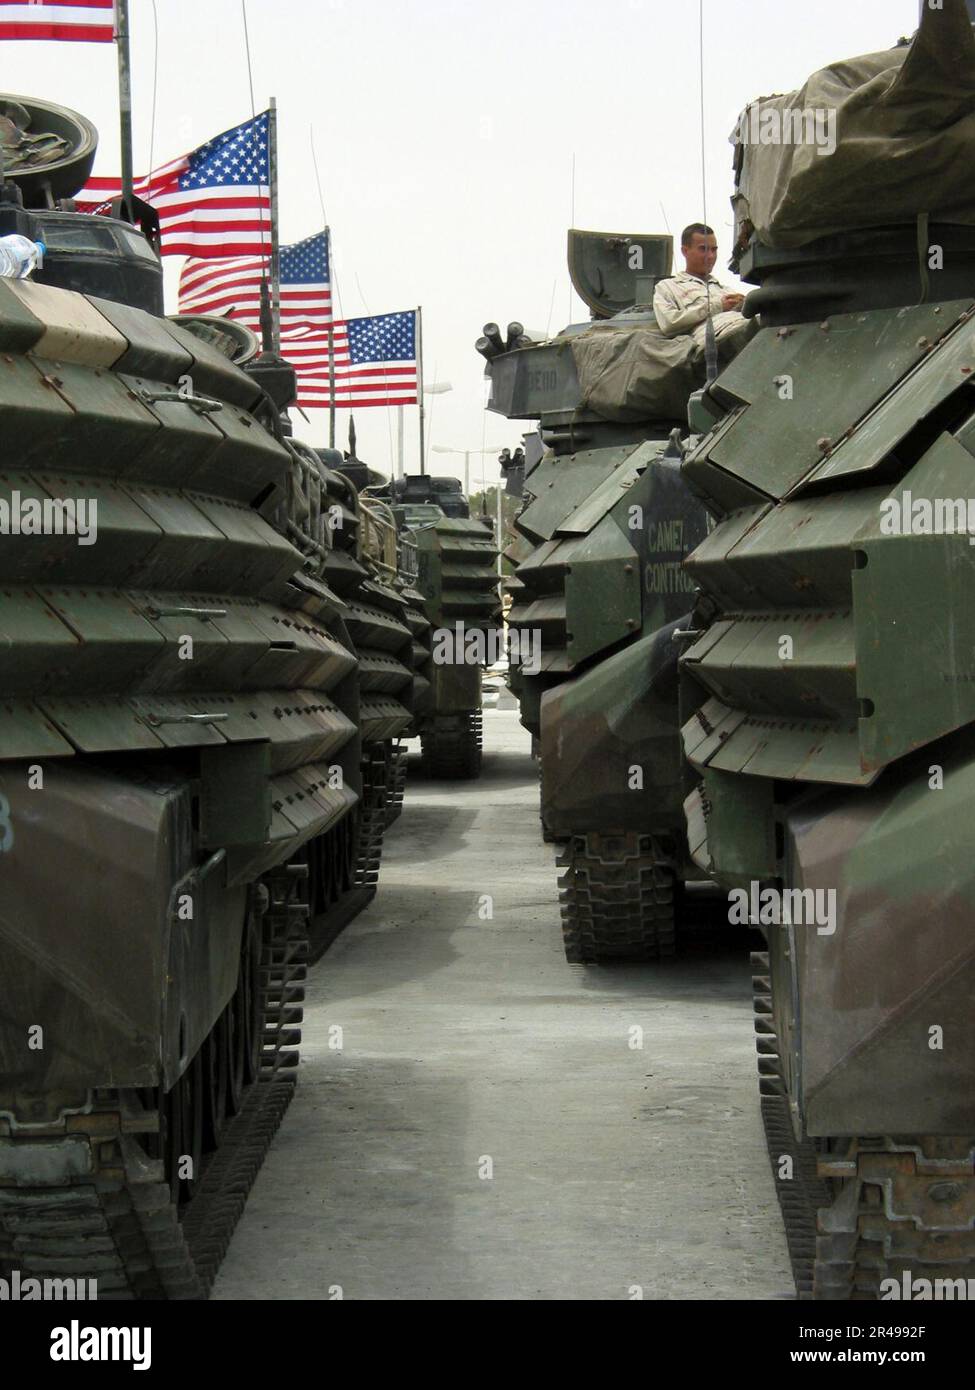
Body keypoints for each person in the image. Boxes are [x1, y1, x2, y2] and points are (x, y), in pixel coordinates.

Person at [653, 223, 755, 355]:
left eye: (714, 250)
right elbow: (669, 323)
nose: (710, 256)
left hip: (749, 329)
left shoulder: (726, 290)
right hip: (718, 340)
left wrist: (744, 303)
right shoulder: (668, 287)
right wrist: (718, 306)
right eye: (703, 249)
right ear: (685, 251)